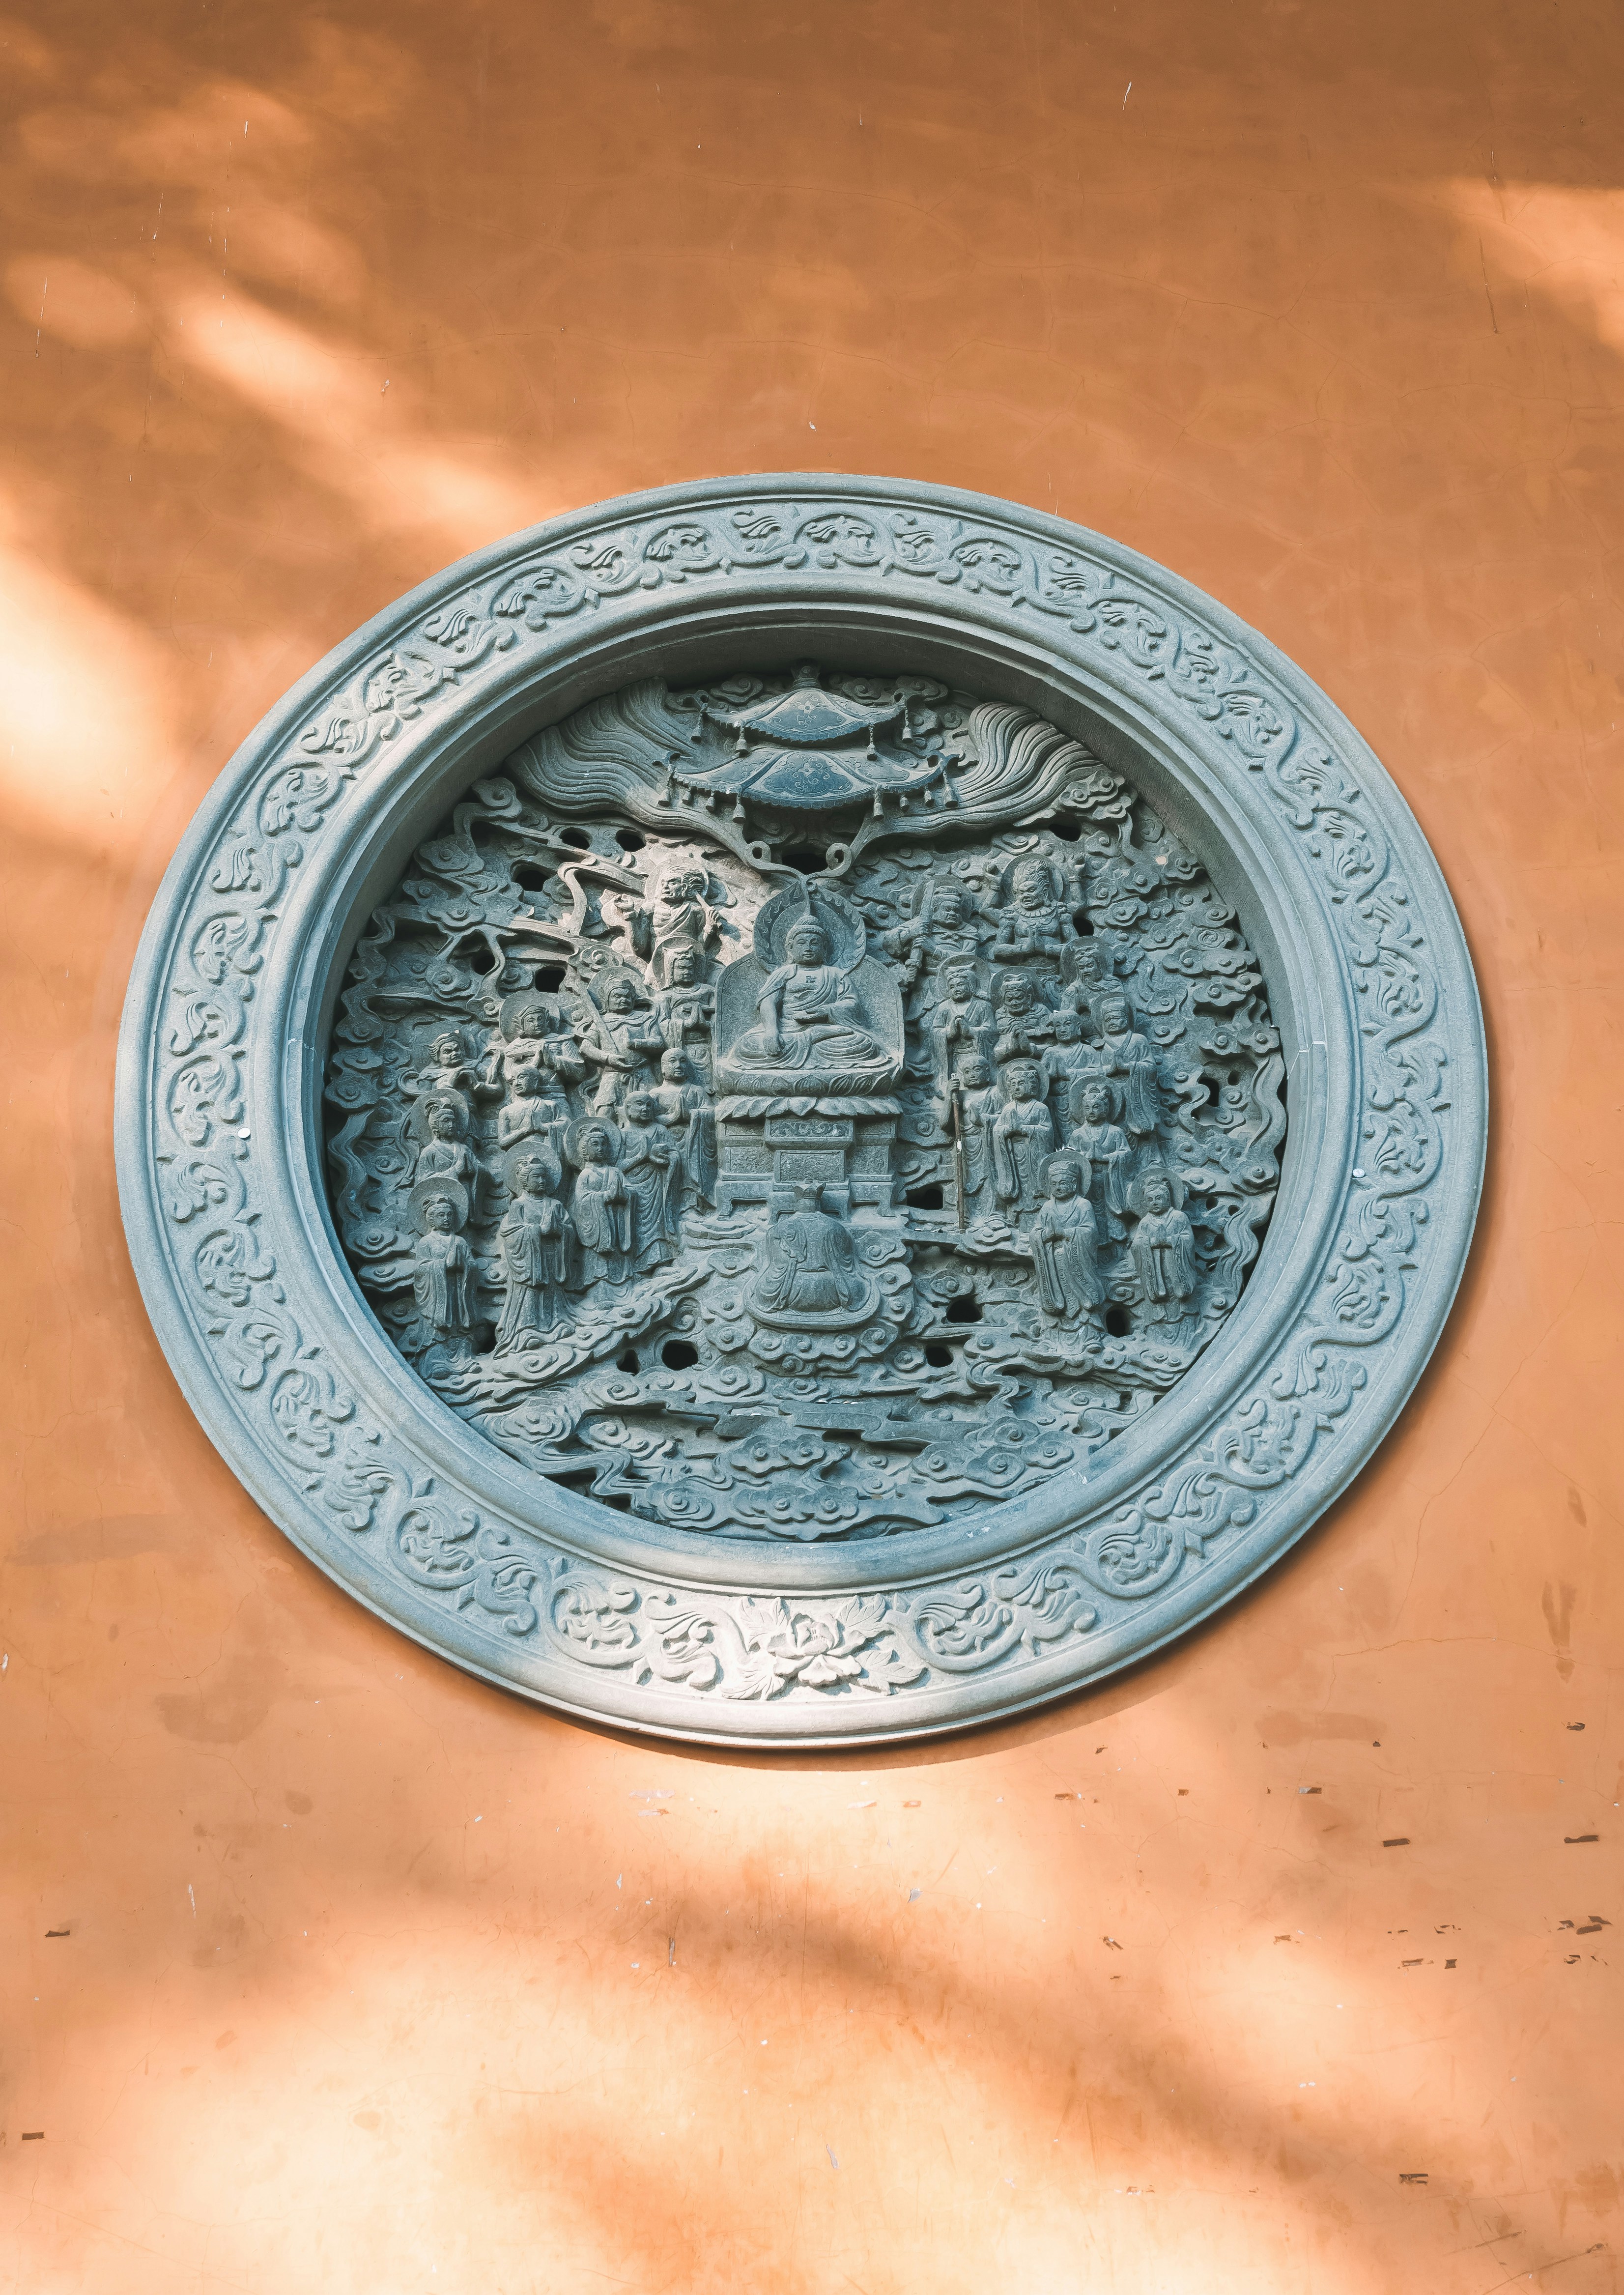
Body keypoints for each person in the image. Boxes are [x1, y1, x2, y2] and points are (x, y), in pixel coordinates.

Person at [734, 918, 888, 1074]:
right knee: (746, 1045)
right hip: (787, 1030)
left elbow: (851, 1003)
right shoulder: (783, 973)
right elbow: (768, 1003)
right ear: (791, 947)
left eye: (814, 943)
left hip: (826, 1031)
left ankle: (814, 1038)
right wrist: (771, 1032)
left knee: (862, 1043)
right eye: (801, 943)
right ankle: (812, 1040)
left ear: (824, 947)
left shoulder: (835, 974)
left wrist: (826, 1012)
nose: (808, 948)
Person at [749, 1182, 867, 1317]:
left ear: (798, 1201)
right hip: (832, 1292)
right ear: (818, 1202)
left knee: (758, 1288)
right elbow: (846, 1267)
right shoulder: (836, 1227)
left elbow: (776, 1267)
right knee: (862, 1286)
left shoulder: (779, 1228)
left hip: (791, 1292)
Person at [496, 1155, 570, 1347]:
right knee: (532, 1293)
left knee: (551, 1293)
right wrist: (537, 1231)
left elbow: (569, 1229)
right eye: (536, 1177)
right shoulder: (519, 1205)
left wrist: (560, 1231)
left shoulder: (555, 1205)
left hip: (552, 1257)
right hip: (530, 1261)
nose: (542, 1181)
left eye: (544, 1177)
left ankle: (555, 1324)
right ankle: (527, 1329)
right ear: (525, 1181)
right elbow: (511, 1233)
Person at [1029, 1157, 1105, 1320]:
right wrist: (1046, 1235)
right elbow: (1036, 1232)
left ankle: (1086, 1319)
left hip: (1076, 1257)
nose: (1058, 1187)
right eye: (1054, 1184)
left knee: (1082, 1301)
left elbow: (1090, 1232)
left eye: (1062, 1183)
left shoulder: (1083, 1205)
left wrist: (1065, 1233)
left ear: (1074, 1184)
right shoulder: (1048, 1207)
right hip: (1052, 1261)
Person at [1079, 991, 1162, 1138]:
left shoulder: (1138, 1040)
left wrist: (1129, 1067)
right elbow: (1093, 1071)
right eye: (1108, 1019)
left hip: (1134, 1091)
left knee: (1137, 1135)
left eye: (1117, 1018)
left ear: (1127, 1019)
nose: (1112, 1022)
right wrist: (1109, 1070)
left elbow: (1151, 1067)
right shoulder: (1100, 1045)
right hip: (1108, 1095)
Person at [578, 977, 665, 1113]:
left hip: (642, 1073)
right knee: (605, 1110)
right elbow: (586, 1047)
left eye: (627, 996)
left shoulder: (646, 1018)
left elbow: (659, 1043)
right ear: (607, 1000)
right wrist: (608, 1058)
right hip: (613, 1073)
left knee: (652, 1108)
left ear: (633, 999)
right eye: (617, 997)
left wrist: (636, 1043)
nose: (623, 1000)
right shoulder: (602, 1022)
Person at [1065, 1079, 1134, 1241]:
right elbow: (1070, 1158)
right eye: (1087, 1108)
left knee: (1111, 1214)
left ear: (1106, 1109)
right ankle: (1092, 1239)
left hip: (1110, 1179)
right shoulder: (1078, 1134)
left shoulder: (1115, 1132)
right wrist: (1084, 1158)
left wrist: (1107, 1158)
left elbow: (1126, 1154)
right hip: (1087, 1181)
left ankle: (1117, 1239)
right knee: (1090, 1211)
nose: (1091, 1111)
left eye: (1096, 1107)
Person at [619, 1091, 680, 1270]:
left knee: (657, 1224)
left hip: (656, 1185)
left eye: (648, 1105)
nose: (645, 1109)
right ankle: (635, 1265)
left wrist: (665, 1158)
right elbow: (617, 1167)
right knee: (634, 1223)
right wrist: (642, 1157)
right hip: (631, 1187)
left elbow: (675, 1155)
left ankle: (658, 1261)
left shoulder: (659, 1131)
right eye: (639, 1104)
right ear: (628, 1109)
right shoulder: (622, 1135)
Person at [649, 1049, 716, 1207]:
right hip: (666, 1144)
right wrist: (671, 1118)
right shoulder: (655, 1094)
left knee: (689, 1178)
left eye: (683, 1061)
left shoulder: (696, 1091)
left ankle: (692, 1206)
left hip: (692, 1144)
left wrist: (691, 1115)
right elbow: (646, 1121)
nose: (679, 1065)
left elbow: (712, 1114)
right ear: (663, 1067)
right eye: (673, 1061)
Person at [569, 1124, 634, 1285]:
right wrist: (606, 1197)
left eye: (604, 1144)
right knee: (599, 1269)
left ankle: (624, 1283)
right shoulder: (586, 1174)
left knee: (619, 1259)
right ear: (585, 1149)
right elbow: (582, 1201)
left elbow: (630, 1191)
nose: (600, 1149)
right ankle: (598, 1285)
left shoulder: (615, 1172)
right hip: (598, 1227)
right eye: (595, 1145)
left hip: (616, 1223)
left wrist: (625, 1195)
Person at [992, 1061, 1055, 1217]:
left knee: (1034, 1185)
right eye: (1013, 1085)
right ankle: (1018, 1212)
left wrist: (1024, 1129)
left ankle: (1038, 1210)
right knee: (1020, 1184)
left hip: (1034, 1154)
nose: (1017, 1088)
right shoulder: (1008, 1109)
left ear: (1032, 1085)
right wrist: (1008, 1130)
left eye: (1021, 1083)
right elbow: (997, 1130)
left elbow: (1047, 1131)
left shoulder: (1040, 1108)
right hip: (1014, 1154)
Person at [413, 1194, 475, 1351]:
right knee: (438, 1335)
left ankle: (463, 1355)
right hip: (439, 1294)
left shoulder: (460, 1242)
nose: (447, 1219)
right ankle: (435, 1354)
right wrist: (442, 1265)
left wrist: (464, 1266)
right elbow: (420, 1270)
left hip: (459, 1292)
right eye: (441, 1215)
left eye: (450, 1215)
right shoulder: (426, 1242)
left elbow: (473, 1265)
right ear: (431, 1219)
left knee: (460, 1329)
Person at [929, 959, 995, 1095]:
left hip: (977, 1056)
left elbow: (992, 1031)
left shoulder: (983, 1006)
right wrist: (950, 1032)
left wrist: (971, 1031)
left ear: (970, 985)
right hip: (955, 1057)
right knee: (957, 1091)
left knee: (977, 1090)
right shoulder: (944, 1008)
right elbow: (935, 1032)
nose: (956, 989)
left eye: (960, 985)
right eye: (952, 986)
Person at [1131, 1174, 1197, 1306]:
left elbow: (1188, 1239)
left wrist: (1169, 1241)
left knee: (1180, 1298)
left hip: (1176, 1265)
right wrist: (1152, 1243)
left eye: (1158, 1198)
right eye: (1150, 1200)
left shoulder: (1179, 1217)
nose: (1154, 1203)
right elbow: (1136, 1245)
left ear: (1167, 1199)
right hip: (1155, 1268)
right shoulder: (1145, 1222)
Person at [413, 1100, 486, 1217]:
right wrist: (455, 1171)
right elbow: (424, 1183)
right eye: (446, 1121)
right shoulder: (430, 1151)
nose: (451, 1125)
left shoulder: (463, 1149)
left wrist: (474, 1169)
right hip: (441, 1203)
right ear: (436, 1124)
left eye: (454, 1121)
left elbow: (481, 1169)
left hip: (465, 1196)